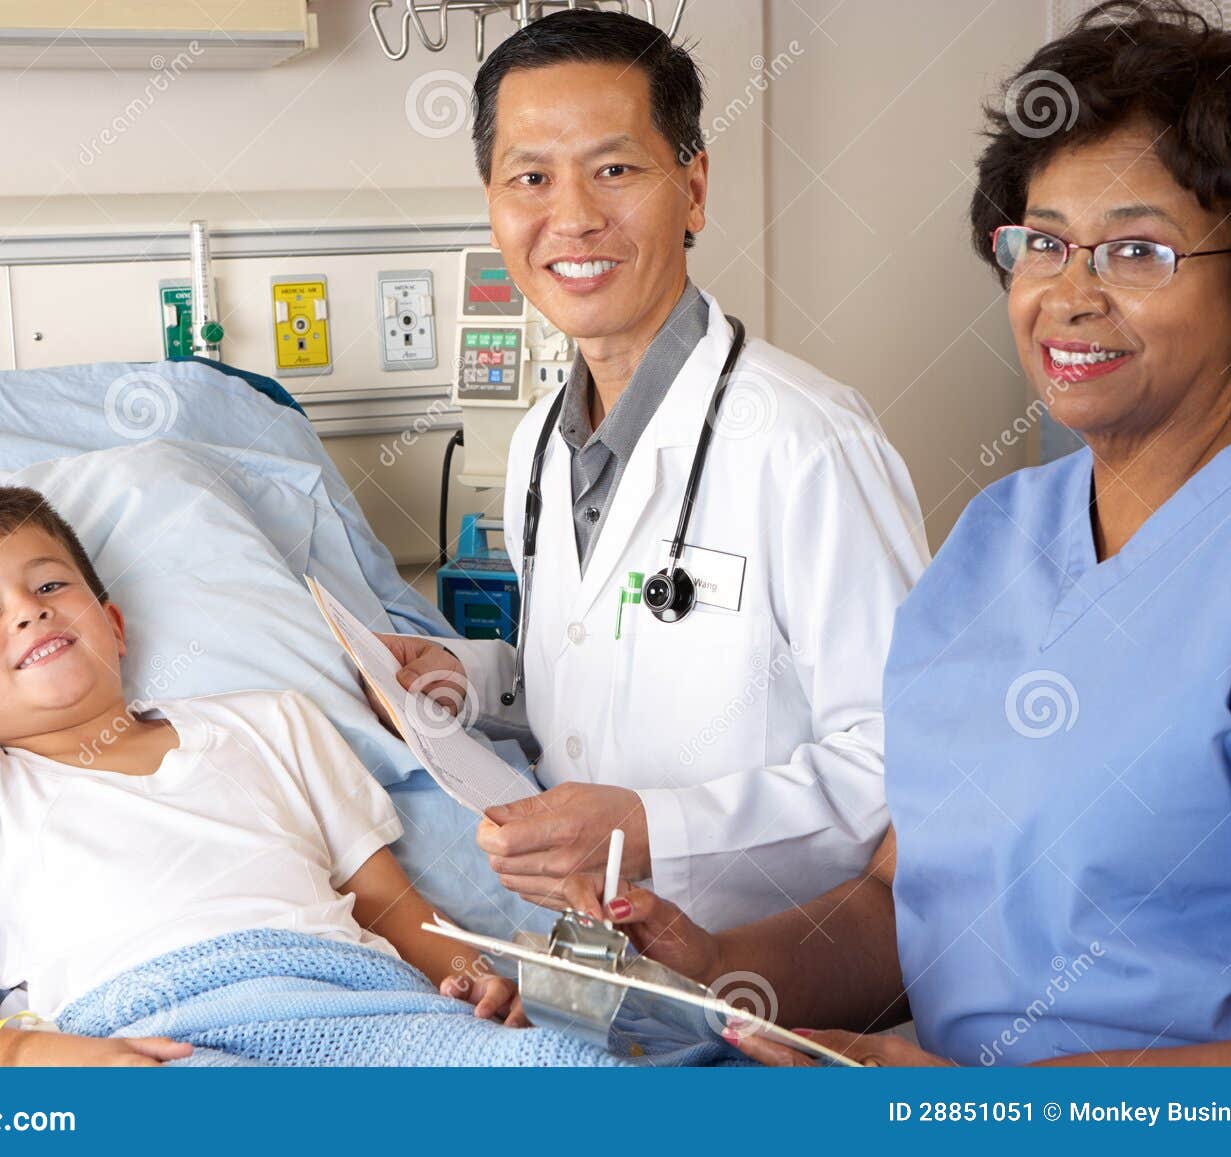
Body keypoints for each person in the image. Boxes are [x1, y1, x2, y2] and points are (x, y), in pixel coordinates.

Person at [567, 0, 1231, 1066]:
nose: (1069, 294)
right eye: (1043, 243)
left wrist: (983, 1112)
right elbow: (904, 905)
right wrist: (711, 967)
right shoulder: (1000, 533)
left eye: (1135, 251)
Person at [378, 8, 928, 931]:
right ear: (492, 203)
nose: (572, 218)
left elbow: (906, 755)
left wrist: (651, 829)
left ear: (694, 188)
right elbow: (589, 675)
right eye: (530, 178)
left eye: (615, 170)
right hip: (594, 957)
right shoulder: (540, 444)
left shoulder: (807, 442)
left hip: (771, 965)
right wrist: (463, 678)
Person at [0, 483, 521, 1067]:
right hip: (147, 1043)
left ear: (114, 626)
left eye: (49, 585)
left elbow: (392, 905)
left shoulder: (271, 721)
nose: (29, 610)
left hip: (372, 1011)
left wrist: (480, 978)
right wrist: (48, 1058)